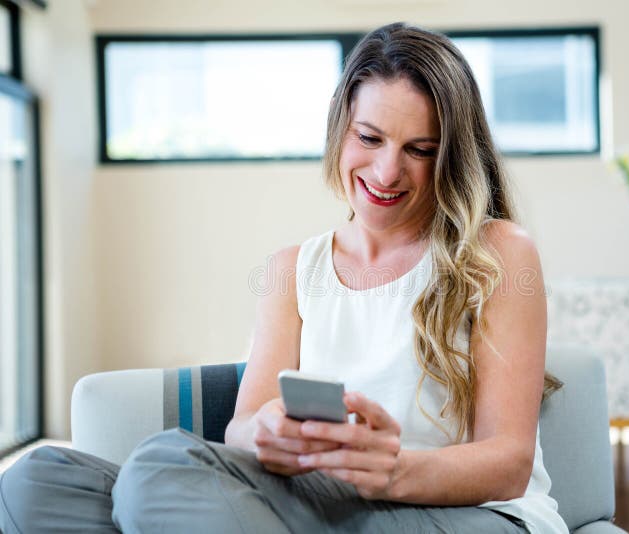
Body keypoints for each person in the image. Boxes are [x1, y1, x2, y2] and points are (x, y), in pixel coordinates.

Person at [0, 22, 568, 534]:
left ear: (451, 158)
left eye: (420, 150)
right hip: (325, 505)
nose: (388, 171)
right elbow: (245, 426)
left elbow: (510, 463)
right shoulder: (293, 270)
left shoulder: (496, 253)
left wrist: (391, 471)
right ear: (339, 128)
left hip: (468, 515)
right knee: (38, 479)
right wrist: (266, 431)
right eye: (369, 139)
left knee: (158, 473)